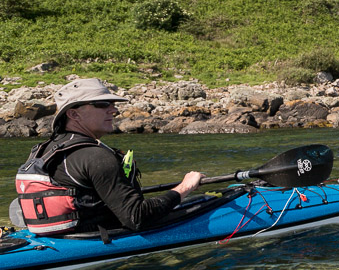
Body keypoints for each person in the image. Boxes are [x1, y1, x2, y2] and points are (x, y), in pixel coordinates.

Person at [15, 78, 204, 235]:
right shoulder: (97, 157)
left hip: (62, 237)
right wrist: (184, 188)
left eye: (113, 104)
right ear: (73, 114)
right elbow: (137, 218)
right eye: (103, 104)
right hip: (93, 243)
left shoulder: (41, 151)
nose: (113, 110)